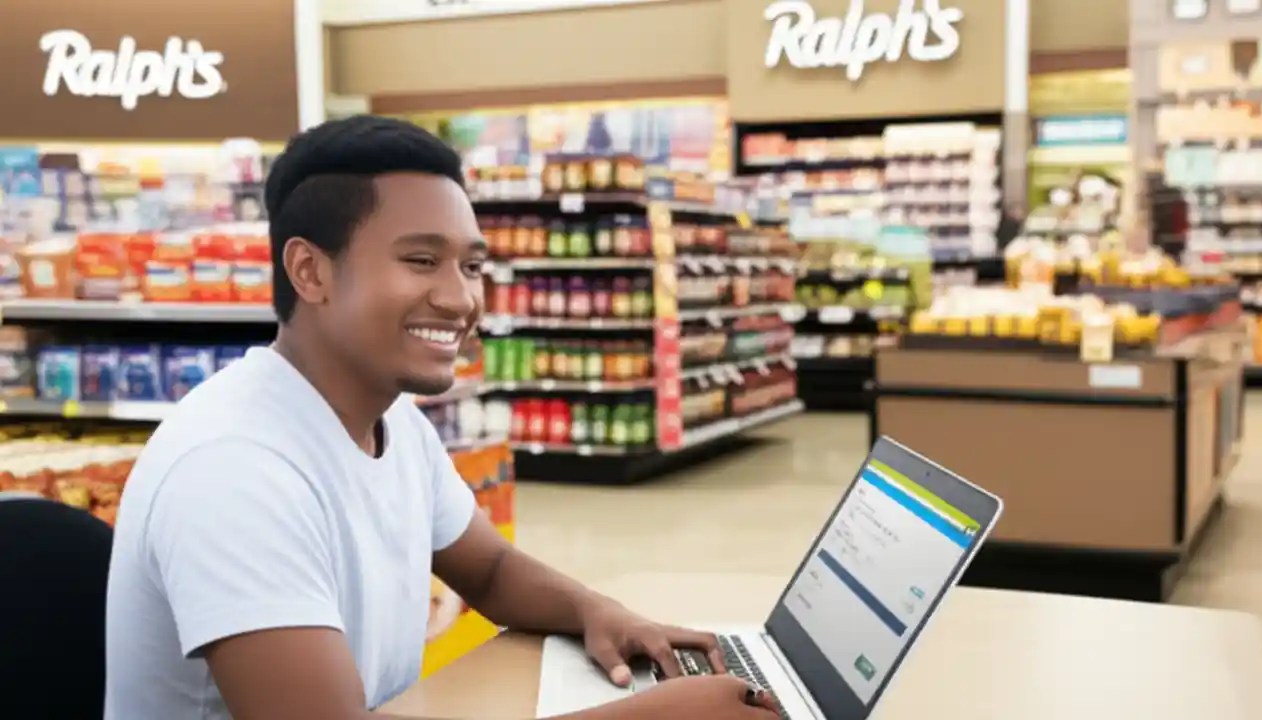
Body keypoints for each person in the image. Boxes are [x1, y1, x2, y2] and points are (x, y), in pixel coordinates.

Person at [104, 116, 779, 720]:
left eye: (472, 265)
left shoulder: (391, 424)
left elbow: (488, 571)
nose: (461, 299)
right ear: (310, 272)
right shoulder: (233, 471)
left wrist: (598, 612)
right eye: (421, 260)